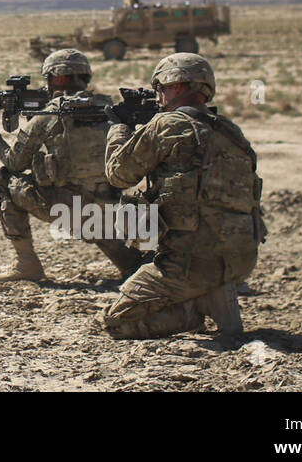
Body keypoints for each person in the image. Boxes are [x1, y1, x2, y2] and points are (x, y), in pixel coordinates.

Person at [99, 53, 265, 338]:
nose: (159, 96)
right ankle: (216, 290)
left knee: (116, 322)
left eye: (160, 89)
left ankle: (194, 308)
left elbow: (118, 174)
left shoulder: (167, 126)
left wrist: (119, 127)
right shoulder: (230, 130)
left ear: (175, 86)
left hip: (190, 262)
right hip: (242, 259)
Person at [0, 49, 144, 282]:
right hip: (110, 207)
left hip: (70, 211)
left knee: (4, 179)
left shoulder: (51, 114)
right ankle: (133, 265)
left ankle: (27, 264)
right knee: (128, 261)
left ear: (59, 78)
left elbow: (15, 162)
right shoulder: (112, 110)